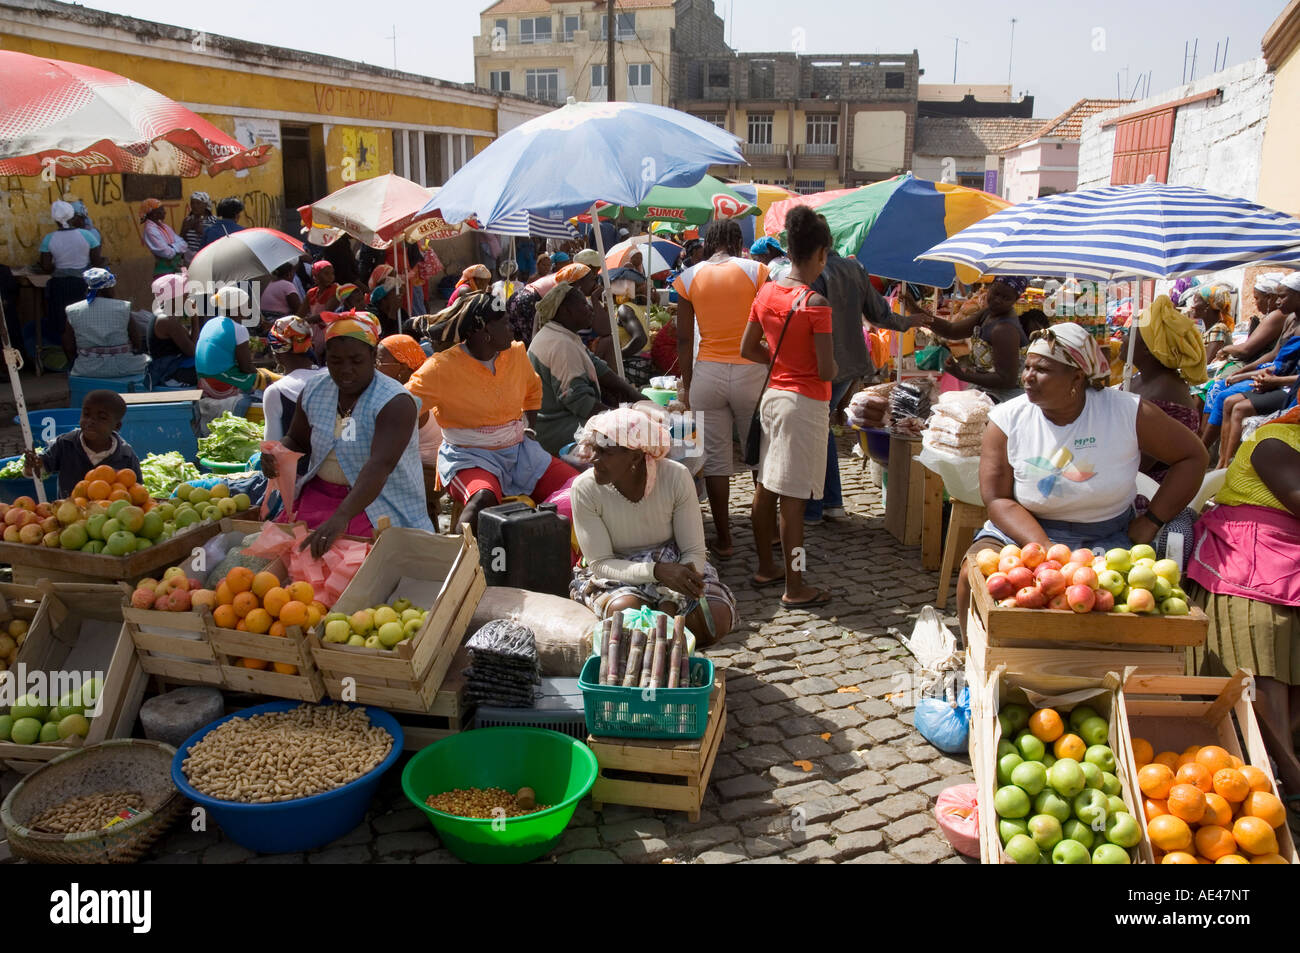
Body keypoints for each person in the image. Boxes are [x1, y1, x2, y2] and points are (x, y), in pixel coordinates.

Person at [955, 322, 1208, 632]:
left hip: (1110, 537)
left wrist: (1151, 521)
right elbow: (997, 498)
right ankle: (973, 664)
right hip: (1022, 534)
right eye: (1027, 367)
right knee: (972, 577)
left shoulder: (1126, 411)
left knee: (1111, 621)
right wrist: (1046, 550)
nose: (1027, 377)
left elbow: (1193, 457)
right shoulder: (1008, 419)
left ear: (1077, 376)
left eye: (1043, 369)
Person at [1186, 404, 1300, 801]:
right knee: (1264, 629)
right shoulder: (1276, 443)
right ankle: (1283, 770)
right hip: (1247, 553)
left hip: (1290, 557)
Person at [406, 293, 578, 533]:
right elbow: (402, 408)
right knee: (483, 500)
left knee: (578, 487)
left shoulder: (517, 354)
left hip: (519, 452)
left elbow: (532, 392)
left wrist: (529, 429)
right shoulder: (440, 368)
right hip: (468, 457)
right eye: (505, 323)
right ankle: (458, 563)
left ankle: (546, 548)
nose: (513, 328)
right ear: (484, 331)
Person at [263, 311, 432, 553]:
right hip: (320, 495)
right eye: (335, 361)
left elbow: (379, 466)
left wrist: (341, 517)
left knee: (350, 561)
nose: (345, 370)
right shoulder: (315, 390)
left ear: (373, 356)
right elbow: (297, 439)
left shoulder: (395, 402)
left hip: (378, 501)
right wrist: (278, 451)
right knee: (288, 553)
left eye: (356, 360)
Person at [569, 407, 735, 645]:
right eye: (594, 449)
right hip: (618, 570)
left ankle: (670, 653)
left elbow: (694, 552)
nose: (594, 458)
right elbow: (601, 563)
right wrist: (656, 572)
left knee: (715, 618)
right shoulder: (584, 488)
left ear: (635, 456)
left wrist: (671, 598)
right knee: (627, 615)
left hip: (676, 565)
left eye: (605, 452)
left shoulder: (676, 477)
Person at [740, 207, 837, 609]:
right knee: (793, 500)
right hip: (804, 405)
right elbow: (827, 367)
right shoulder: (816, 303)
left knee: (766, 488)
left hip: (773, 400)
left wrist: (779, 363)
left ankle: (767, 566)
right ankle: (795, 584)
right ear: (820, 253)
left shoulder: (766, 292)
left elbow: (748, 348)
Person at [673, 220, 770, 560]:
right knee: (760, 456)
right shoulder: (757, 271)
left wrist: (687, 386)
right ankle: (768, 535)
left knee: (714, 461)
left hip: (707, 374)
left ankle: (725, 539)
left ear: (709, 241)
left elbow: (684, 338)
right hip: (752, 371)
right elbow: (770, 324)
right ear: (738, 241)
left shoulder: (687, 278)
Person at [804, 251, 925, 523]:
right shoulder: (853, 268)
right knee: (820, 428)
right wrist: (907, 322)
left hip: (824, 364)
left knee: (815, 430)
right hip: (850, 362)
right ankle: (830, 503)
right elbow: (879, 313)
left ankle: (815, 507)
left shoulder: (814, 271)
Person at [527, 279, 644, 454]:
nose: (590, 309)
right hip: (559, 432)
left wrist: (637, 397)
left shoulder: (564, 335)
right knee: (637, 445)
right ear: (566, 311)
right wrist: (627, 419)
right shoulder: (560, 344)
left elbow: (601, 370)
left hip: (565, 423)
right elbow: (581, 402)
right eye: (584, 304)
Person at [1202, 275, 1300, 461]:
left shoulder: (1281, 318)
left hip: (1289, 387)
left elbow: (1250, 352)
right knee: (1224, 394)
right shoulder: (1290, 320)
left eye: (1284, 296)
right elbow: (1276, 357)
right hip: (1274, 375)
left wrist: (1274, 381)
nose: (1278, 301)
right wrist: (1243, 374)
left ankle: (1225, 464)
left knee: (1234, 405)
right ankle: (1217, 459)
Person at [1129, 295, 1205, 479]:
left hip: (1150, 489)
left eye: (1129, 335)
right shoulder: (1144, 379)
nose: (1123, 340)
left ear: (1148, 348)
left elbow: (1139, 465)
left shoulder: (1165, 392)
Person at [923, 276, 1031, 403]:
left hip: (1006, 397)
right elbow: (952, 331)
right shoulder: (988, 313)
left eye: (1006, 298)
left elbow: (1006, 380)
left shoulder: (1005, 329)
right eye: (995, 293)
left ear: (1015, 300)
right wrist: (917, 312)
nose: (998, 300)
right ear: (989, 289)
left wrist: (962, 375)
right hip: (987, 390)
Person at [23, 390, 141, 499]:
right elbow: (40, 470)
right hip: (69, 515)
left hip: (110, 517)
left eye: (102, 418)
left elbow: (137, 491)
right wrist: (32, 466)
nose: (90, 421)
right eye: (86, 414)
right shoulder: (65, 443)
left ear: (116, 426)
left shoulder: (126, 455)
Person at [376, 334, 443, 516]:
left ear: (402, 368)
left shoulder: (407, 399)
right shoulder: (423, 385)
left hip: (428, 475)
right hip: (429, 470)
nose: (375, 367)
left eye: (380, 362)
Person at [39, 200, 103, 363]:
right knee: (86, 323)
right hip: (83, 284)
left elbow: (46, 267)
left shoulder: (49, 239)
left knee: (65, 326)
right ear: (73, 217)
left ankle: (72, 364)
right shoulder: (87, 235)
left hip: (59, 286)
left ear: (55, 220)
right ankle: (89, 361)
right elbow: (96, 262)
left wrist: (60, 267)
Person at [63, 268, 150, 379]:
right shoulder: (123, 307)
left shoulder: (72, 310)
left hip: (87, 368)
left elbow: (69, 346)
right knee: (150, 362)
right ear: (106, 289)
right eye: (112, 287)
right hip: (126, 366)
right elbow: (136, 342)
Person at [508, 255, 601, 345]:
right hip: (529, 301)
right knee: (532, 343)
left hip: (518, 297)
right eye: (592, 280)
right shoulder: (569, 287)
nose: (594, 284)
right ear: (580, 282)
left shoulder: (572, 272)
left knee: (517, 341)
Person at [260, 317, 324, 444]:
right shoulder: (331, 376)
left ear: (277, 355)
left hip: (298, 463)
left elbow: (272, 447)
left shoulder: (275, 392)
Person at [195, 287, 269, 394]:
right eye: (246, 304)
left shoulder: (210, 323)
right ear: (238, 307)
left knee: (263, 374)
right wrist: (261, 374)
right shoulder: (239, 329)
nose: (249, 307)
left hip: (202, 379)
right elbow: (246, 368)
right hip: (219, 381)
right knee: (267, 378)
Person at [1217, 273, 1286, 365]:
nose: (1255, 303)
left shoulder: (1277, 315)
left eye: (1257, 298)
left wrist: (1225, 349)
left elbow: (1245, 350)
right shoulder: (1280, 315)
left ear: (1269, 297)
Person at [145, 273, 199, 387]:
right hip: (166, 371)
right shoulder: (167, 320)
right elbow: (193, 351)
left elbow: (190, 343)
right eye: (185, 294)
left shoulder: (166, 315)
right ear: (175, 297)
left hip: (170, 365)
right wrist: (195, 318)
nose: (188, 297)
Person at [1184, 282, 1236, 365]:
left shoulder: (1219, 328)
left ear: (1207, 307)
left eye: (1195, 302)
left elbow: (1206, 363)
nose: (1192, 306)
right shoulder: (1207, 330)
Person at [139, 199, 187, 275]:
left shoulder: (164, 226)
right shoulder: (150, 230)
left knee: (184, 285)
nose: (164, 212)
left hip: (176, 269)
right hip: (165, 272)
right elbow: (167, 253)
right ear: (153, 214)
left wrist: (171, 246)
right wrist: (176, 247)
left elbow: (184, 244)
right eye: (161, 210)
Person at [180, 192, 216, 261]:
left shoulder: (213, 220)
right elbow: (181, 241)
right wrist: (186, 229)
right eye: (192, 203)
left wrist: (201, 231)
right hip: (190, 259)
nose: (194, 206)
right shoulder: (187, 220)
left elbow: (215, 241)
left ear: (205, 205)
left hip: (206, 258)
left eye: (198, 203)